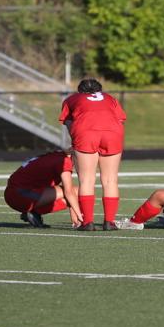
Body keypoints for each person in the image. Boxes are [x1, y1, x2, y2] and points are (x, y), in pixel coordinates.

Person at [59, 77, 127, 230]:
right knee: (110, 180)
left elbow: (68, 122)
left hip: (85, 132)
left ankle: (88, 222)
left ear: (80, 91)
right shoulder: (110, 98)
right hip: (113, 133)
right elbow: (120, 119)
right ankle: (109, 222)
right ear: (100, 90)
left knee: (87, 180)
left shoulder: (72, 99)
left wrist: (76, 140)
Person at [4, 149, 81, 228]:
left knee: (71, 194)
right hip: (21, 195)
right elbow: (70, 192)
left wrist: (75, 217)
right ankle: (35, 211)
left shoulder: (57, 156)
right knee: (78, 191)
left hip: (13, 194)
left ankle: (33, 213)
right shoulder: (64, 161)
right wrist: (80, 217)